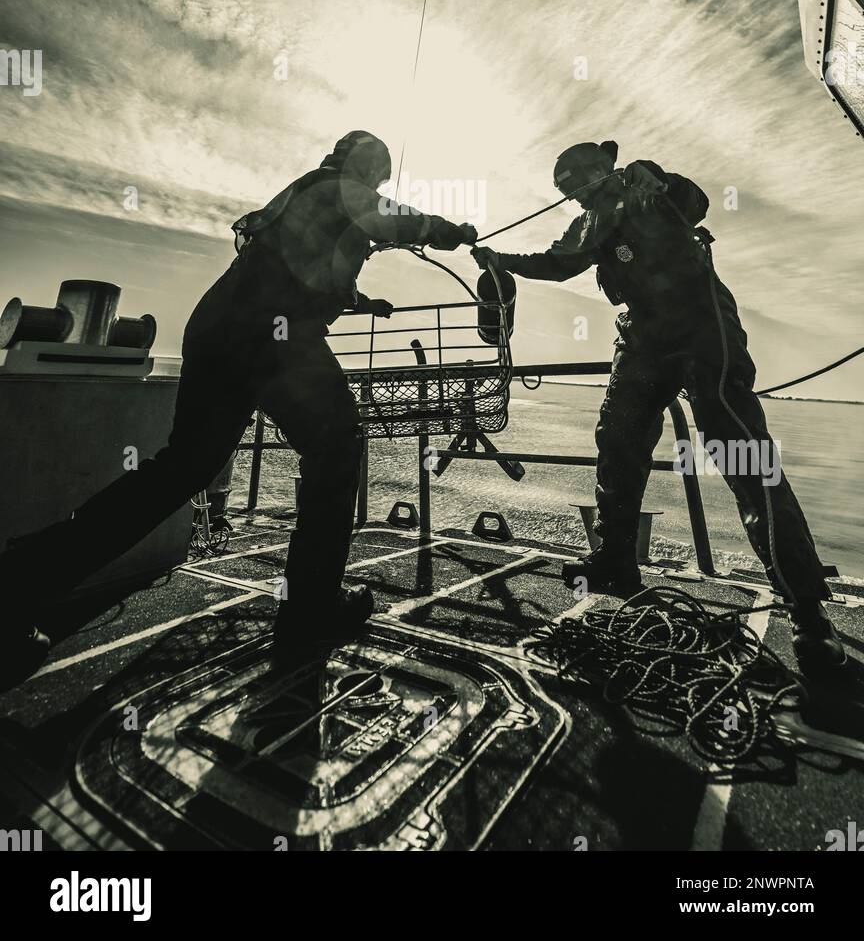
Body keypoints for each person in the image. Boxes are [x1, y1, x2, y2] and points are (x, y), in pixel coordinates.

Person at [0, 131, 477, 686]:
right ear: (366, 166)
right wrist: (456, 233)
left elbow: (303, 266)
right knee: (336, 446)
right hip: (270, 334)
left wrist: (361, 302)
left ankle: (20, 581)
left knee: (182, 469)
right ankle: (312, 607)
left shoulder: (302, 199)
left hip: (220, 326)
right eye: (379, 175)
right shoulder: (340, 188)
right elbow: (398, 220)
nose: (378, 185)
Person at [473, 139, 845, 675]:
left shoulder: (642, 189)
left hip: (702, 333)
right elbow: (557, 264)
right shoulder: (589, 223)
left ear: (598, 169)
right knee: (618, 438)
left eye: (570, 182)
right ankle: (616, 562)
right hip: (643, 337)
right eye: (561, 191)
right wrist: (500, 259)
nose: (569, 196)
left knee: (743, 457)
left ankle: (807, 610)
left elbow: (692, 203)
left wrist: (660, 178)